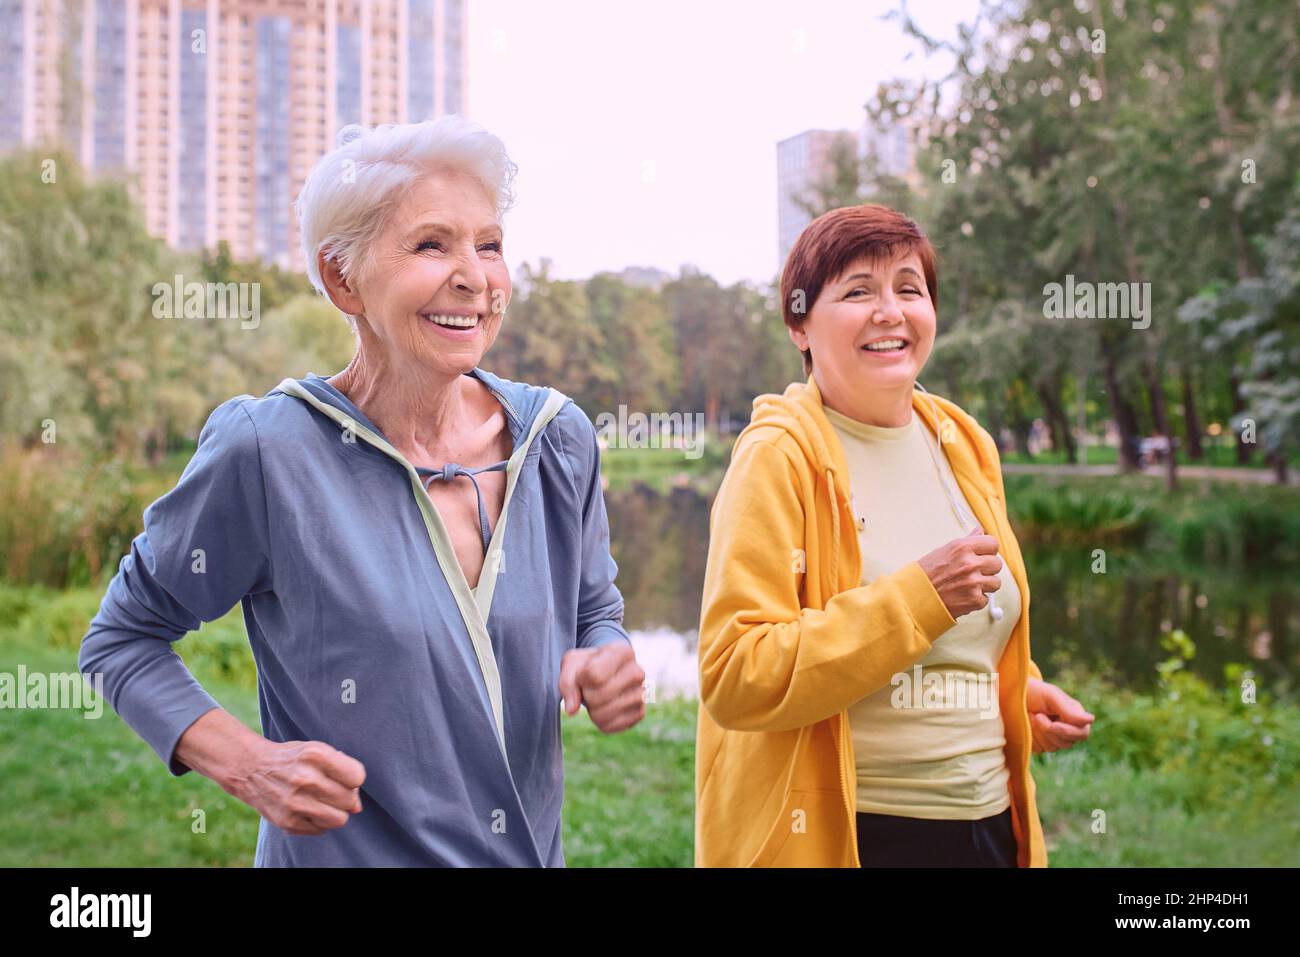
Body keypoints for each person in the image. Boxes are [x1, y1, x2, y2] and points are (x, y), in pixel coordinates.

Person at [78, 116, 645, 866]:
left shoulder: (557, 438)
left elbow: (593, 609)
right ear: (344, 279)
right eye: (431, 244)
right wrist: (249, 763)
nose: (474, 275)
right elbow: (122, 638)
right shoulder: (269, 450)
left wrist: (606, 656)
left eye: (490, 243)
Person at [694, 204, 1094, 867]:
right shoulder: (778, 456)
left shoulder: (963, 441)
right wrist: (915, 598)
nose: (890, 311)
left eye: (909, 288)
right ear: (800, 324)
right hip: (856, 835)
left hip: (989, 831)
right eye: (858, 291)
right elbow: (737, 673)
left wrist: (1010, 691)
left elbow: (954, 638)